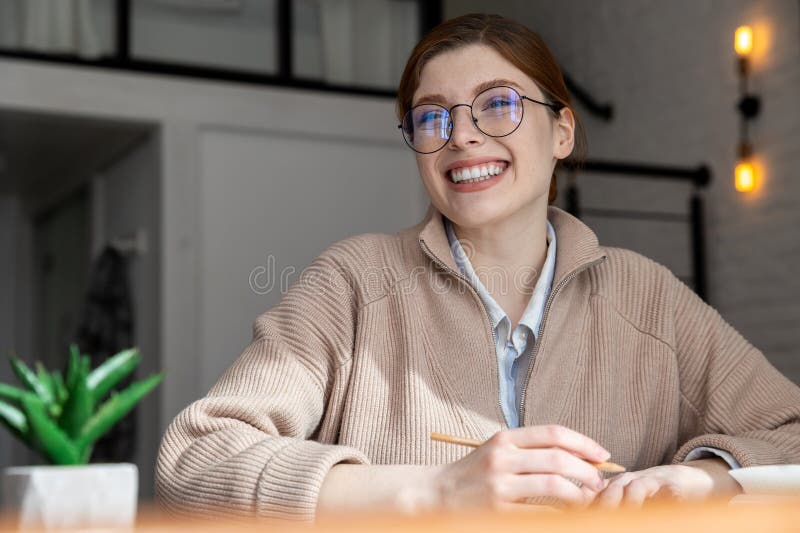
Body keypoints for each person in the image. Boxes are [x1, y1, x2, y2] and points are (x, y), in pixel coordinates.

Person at [155, 13, 800, 521]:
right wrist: (435, 492)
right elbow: (192, 462)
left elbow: (790, 432)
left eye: (498, 104)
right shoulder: (353, 283)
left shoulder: (648, 297)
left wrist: (708, 477)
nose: (461, 135)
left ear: (563, 134)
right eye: (432, 117)